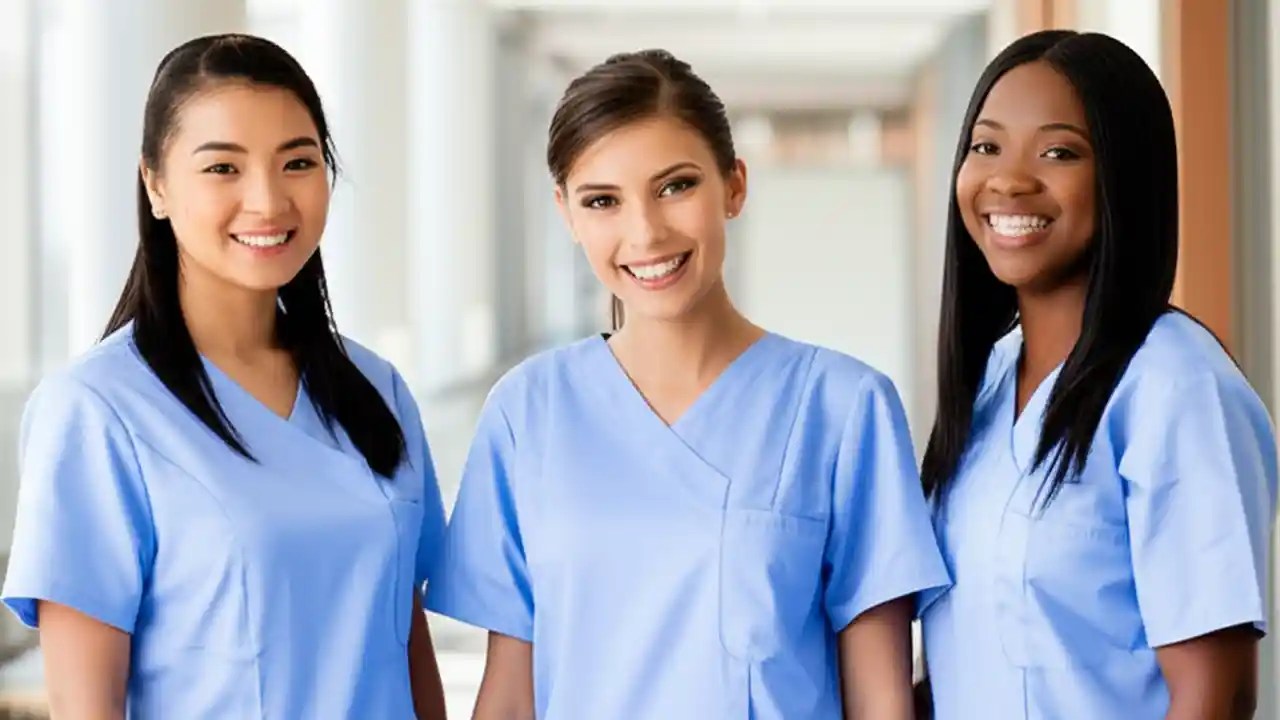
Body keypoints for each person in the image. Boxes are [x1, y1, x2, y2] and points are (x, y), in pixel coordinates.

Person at [425, 49, 948, 719]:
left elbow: (880, 699)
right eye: (603, 201)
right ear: (567, 213)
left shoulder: (843, 409)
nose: (645, 232)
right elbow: (509, 696)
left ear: (733, 185)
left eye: (676, 186)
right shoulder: (528, 413)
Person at [1, 34, 447, 719]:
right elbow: (84, 705)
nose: (268, 201)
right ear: (155, 184)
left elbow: (404, 644)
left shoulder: (376, 390)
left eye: (298, 162)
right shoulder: (96, 411)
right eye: (223, 168)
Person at [918, 29, 1278, 719]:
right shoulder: (989, 383)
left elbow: (1215, 696)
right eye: (986, 146)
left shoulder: (1173, 384)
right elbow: (975, 660)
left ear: (1122, 175)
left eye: (1058, 152)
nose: (1010, 179)